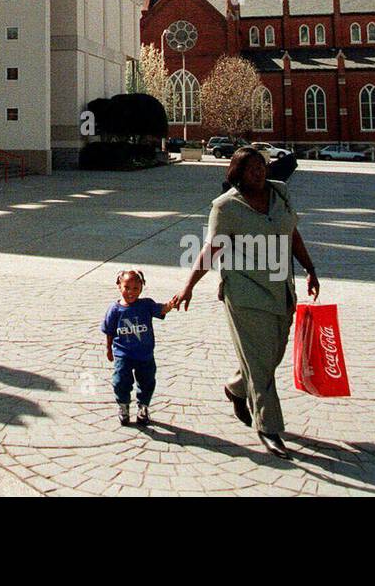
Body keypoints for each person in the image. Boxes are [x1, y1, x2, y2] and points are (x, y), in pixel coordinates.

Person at [171, 146, 320, 459]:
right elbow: (211, 249)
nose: (259, 172)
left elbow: (292, 233)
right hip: (244, 294)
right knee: (260, 363)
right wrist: (189, 286)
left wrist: (310, 268)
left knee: (272, 355)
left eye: (262, 166)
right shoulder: (225, 207)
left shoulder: (280, 195)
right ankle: (269, 428)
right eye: (251, 168)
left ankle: (237, 388)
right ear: (237, 173)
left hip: (281, 291)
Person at [101, 269, 174, 427]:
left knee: (147, 381)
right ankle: (123, 406)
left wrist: (171, 304)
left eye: (136, 288)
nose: (131, 292)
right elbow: (109, 331)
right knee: (120, 381)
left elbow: (161, 309)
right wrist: (108, 349)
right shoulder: (115, 310)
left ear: (142, 288)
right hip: (123, 354)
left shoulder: (146, 305)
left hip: (145, 354)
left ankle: (143, 407)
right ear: (119, 286)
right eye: (127, 287)